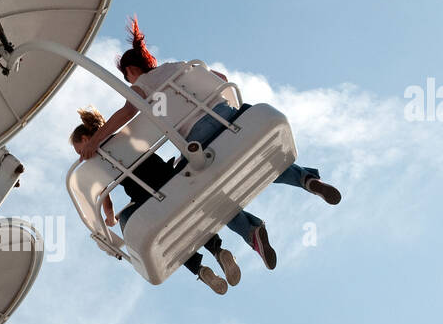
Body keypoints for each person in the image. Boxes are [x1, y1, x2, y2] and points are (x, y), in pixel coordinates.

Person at [77, 18, 342, 270]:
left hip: (202, 142)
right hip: (232, 120)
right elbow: (221, 79)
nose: (130, 83)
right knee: (259, 158)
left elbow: (126, 113)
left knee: (208, 196)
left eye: (127, 78)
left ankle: (250, 233)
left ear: (131, 71)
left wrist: (96, 142)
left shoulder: (141, 87)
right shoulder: (180, 66)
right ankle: (307, 180)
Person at [69, 108, 240, 294]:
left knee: (166, 238)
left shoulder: (97, 159)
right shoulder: (123, 135)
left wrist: (110, 219)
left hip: (146, 200)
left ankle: (199, 269)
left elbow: (105, 199)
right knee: (190, 219)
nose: (82, 157)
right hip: (169, 180)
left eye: (80, 151)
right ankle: (218, 250)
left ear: (86, 140)